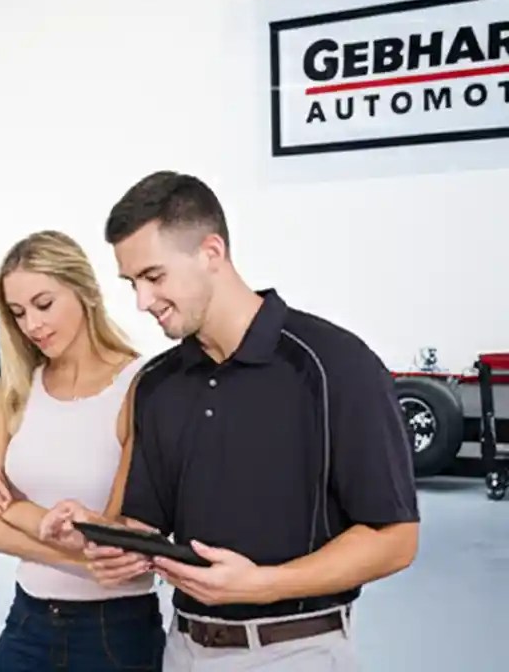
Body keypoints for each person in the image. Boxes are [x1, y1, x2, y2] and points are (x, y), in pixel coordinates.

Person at [42, 171, 420, 670]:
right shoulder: (158, 384)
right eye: (132, 282)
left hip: (298, 653)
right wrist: (103, 536)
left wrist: (265, 585)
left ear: (211, 252)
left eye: (154, 277)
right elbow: (145, 524)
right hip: (183, 649)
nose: (142, 301)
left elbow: (395, 539)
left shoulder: (334, 365)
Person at [0, 229, 167, 671]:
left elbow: (121, 544)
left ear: (85, 292)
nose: (32, 325)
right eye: (17, 313)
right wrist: (60, 537)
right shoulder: (13, 390)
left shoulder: (141, 386)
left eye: (44, 304)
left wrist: (17, 512)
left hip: (114, 633)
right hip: (27, 624)